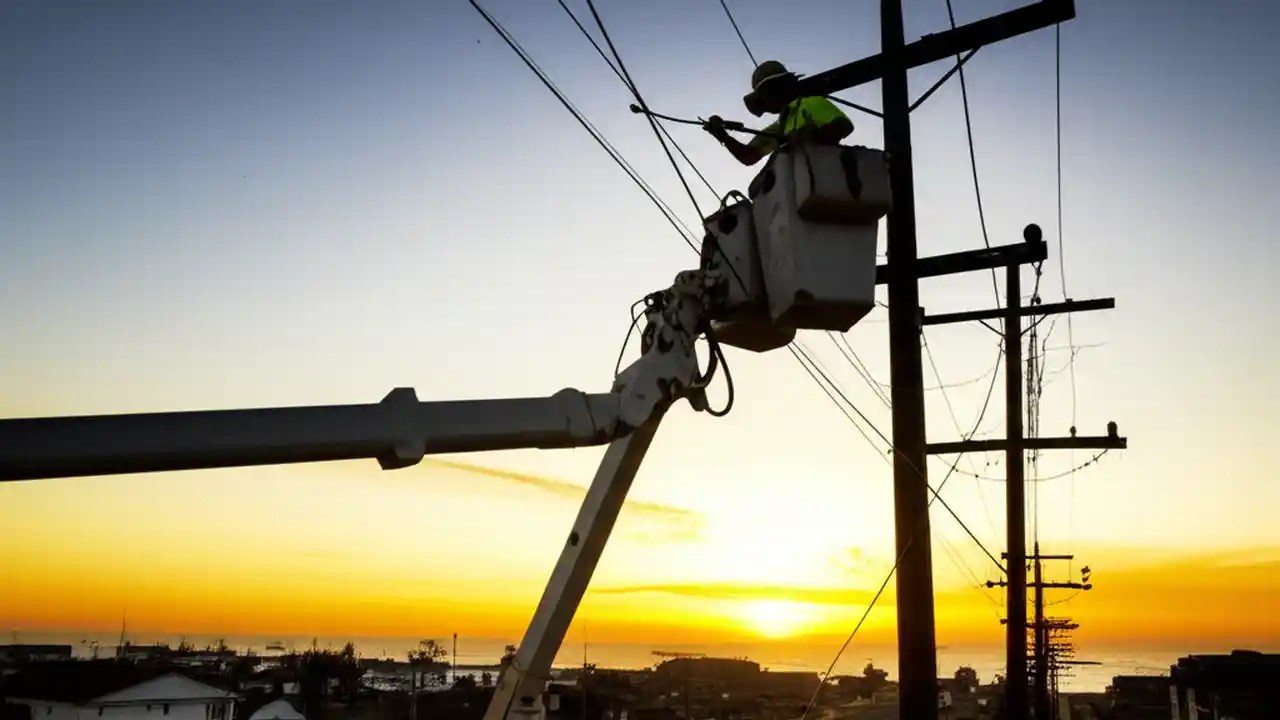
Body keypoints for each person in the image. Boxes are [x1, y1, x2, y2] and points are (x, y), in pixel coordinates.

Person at [703, 60, 853, 166]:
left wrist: (807, 135)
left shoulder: (810, 103)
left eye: (767, 94)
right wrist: (723, 136)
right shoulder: (780, 126)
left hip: (826, 177)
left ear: (780, 88)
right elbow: (749, 156)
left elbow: (842, 125)